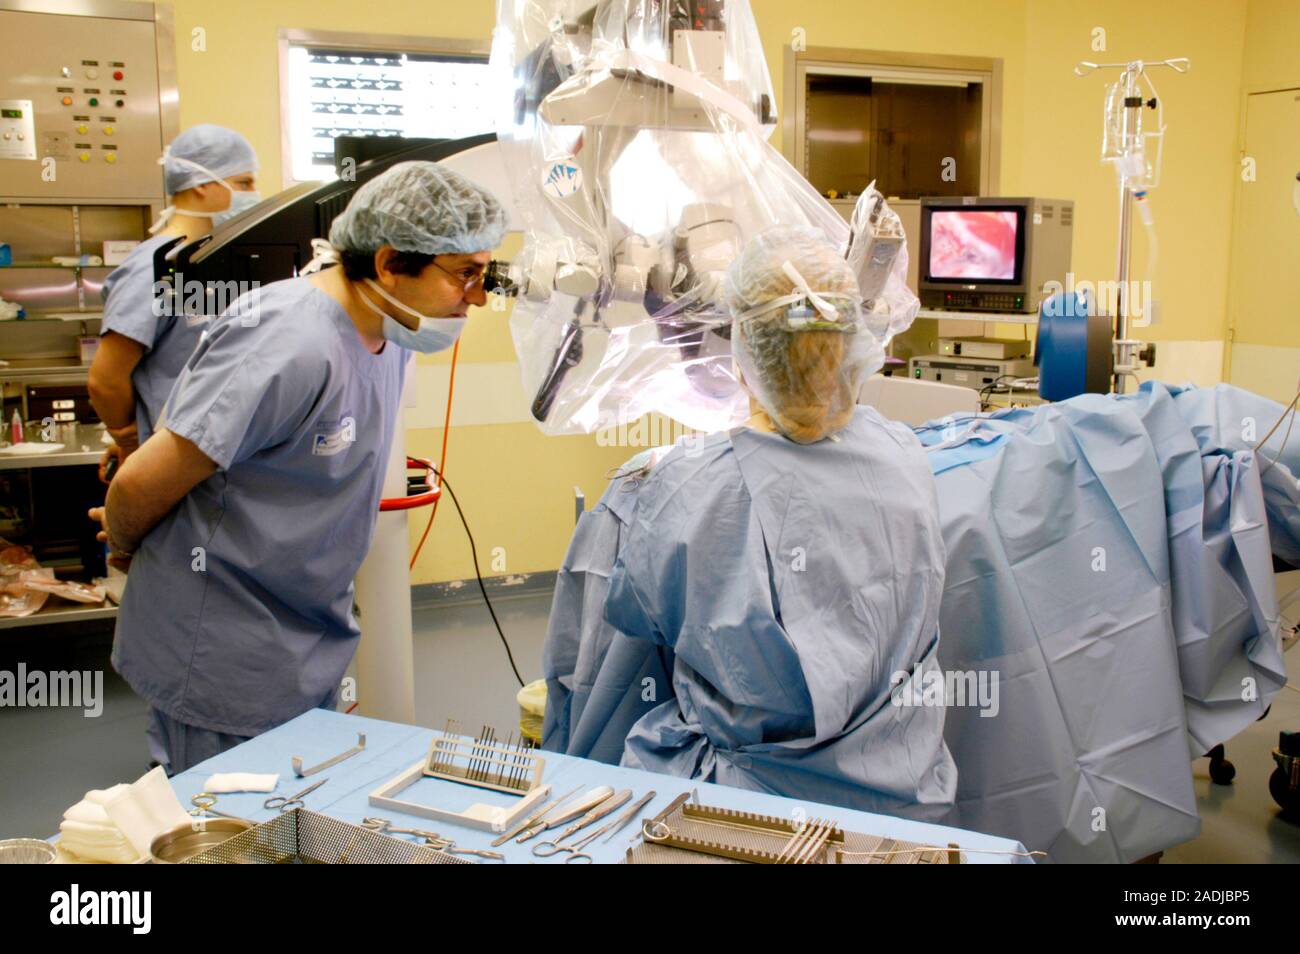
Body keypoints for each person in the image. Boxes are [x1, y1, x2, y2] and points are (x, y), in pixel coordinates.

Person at [89, 161, 507, 773]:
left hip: (302, 629)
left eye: (485, 273)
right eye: (465, 274)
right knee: (228, 825)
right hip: (224, 642)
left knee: (291, 808)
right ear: (390, 261)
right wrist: (125, 548)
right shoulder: (284, 339)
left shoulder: (389, 334)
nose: (478, 296)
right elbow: (142, 481)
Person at [599, 226, 957, 818]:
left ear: (744, 347)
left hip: (746, 814)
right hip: (904, 802)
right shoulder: (902, 456)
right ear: (848, 344)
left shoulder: (688, 486)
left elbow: (645, 620)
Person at [88, 124, 259, 481]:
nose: (254, 194)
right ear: (201, 183)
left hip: (228, 456)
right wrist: (128, 438)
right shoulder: (152, 268)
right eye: (244, 184)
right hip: (173, 465)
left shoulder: (226, 262)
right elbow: (105, 380)